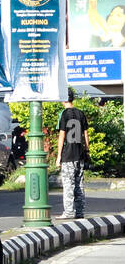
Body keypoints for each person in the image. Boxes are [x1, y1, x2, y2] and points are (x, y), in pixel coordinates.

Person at [54, 89, 89, 219]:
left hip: (68, 155)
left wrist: (59, 156)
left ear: (63, 99)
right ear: (73, 98)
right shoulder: (81, 113)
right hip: (79, 154)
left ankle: (69, 211)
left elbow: (62, 135)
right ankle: (80, 211)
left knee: (68, 184)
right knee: (79, 184)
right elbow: (85, 134)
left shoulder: (64, 115)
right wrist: (87, 150)